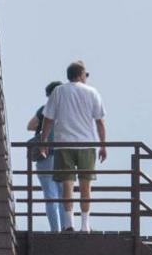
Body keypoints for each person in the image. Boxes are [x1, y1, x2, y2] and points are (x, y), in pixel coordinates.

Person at [41, 60, 107, 232]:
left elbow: (48, 119)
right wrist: (103, 145)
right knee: (86, 185)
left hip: (64, 144)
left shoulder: (58, 91)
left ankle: (69, 224)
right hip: (87, 144)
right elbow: (100, 122)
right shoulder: (92, 92)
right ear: (80, 74)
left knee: (67, 185)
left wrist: (44, 141)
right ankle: (85, 225)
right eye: (85, 75)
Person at [26, 80, 65, 232]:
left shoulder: (44, 109)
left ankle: (55, 230)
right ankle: (67, 227)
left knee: (50, 196)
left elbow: (30, 126)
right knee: (64, 196)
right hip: (63, 155)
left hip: (46, 155)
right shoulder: (67, 111)